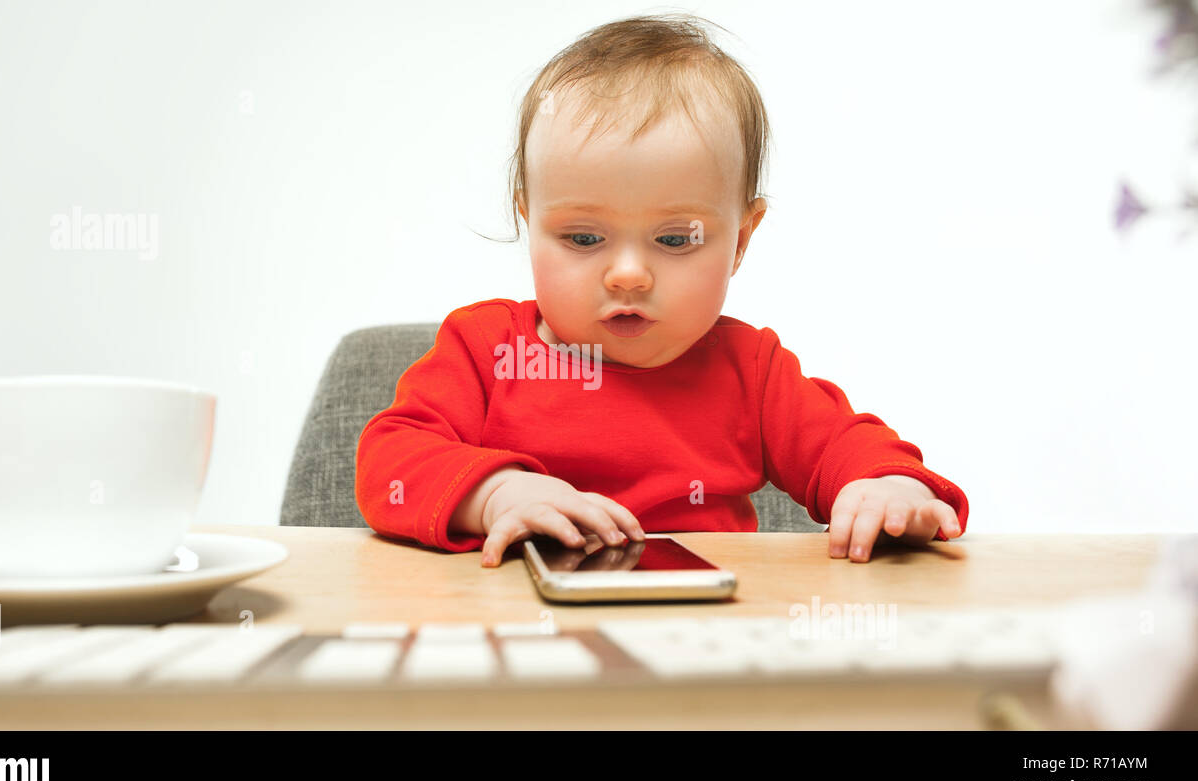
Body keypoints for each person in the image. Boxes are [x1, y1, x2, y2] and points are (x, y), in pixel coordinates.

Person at [355, 13, 968, 568]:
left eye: (675, 241)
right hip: (525, 638)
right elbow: (389, 461)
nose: (627, 274)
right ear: (528, 221)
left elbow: (848, 445)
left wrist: (887, 489)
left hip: (705, 640)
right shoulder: (484, 349)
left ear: (740, 241)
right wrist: (496, 494)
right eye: (582, 237)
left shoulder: (751, 373)